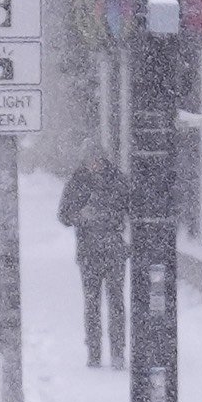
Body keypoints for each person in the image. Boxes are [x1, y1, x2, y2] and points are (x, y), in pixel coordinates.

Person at [57, 146, 128, 367]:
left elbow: (132, 210)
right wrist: (80, 216)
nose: (95, 164)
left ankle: (117, 352)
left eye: (98, 160)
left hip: (114, 251)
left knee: (116, 302)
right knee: (92, 303)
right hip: (89, 253)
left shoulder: (118, 182)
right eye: (91, 160)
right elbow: (63, 216)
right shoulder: (77, 182)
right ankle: (94, 352)